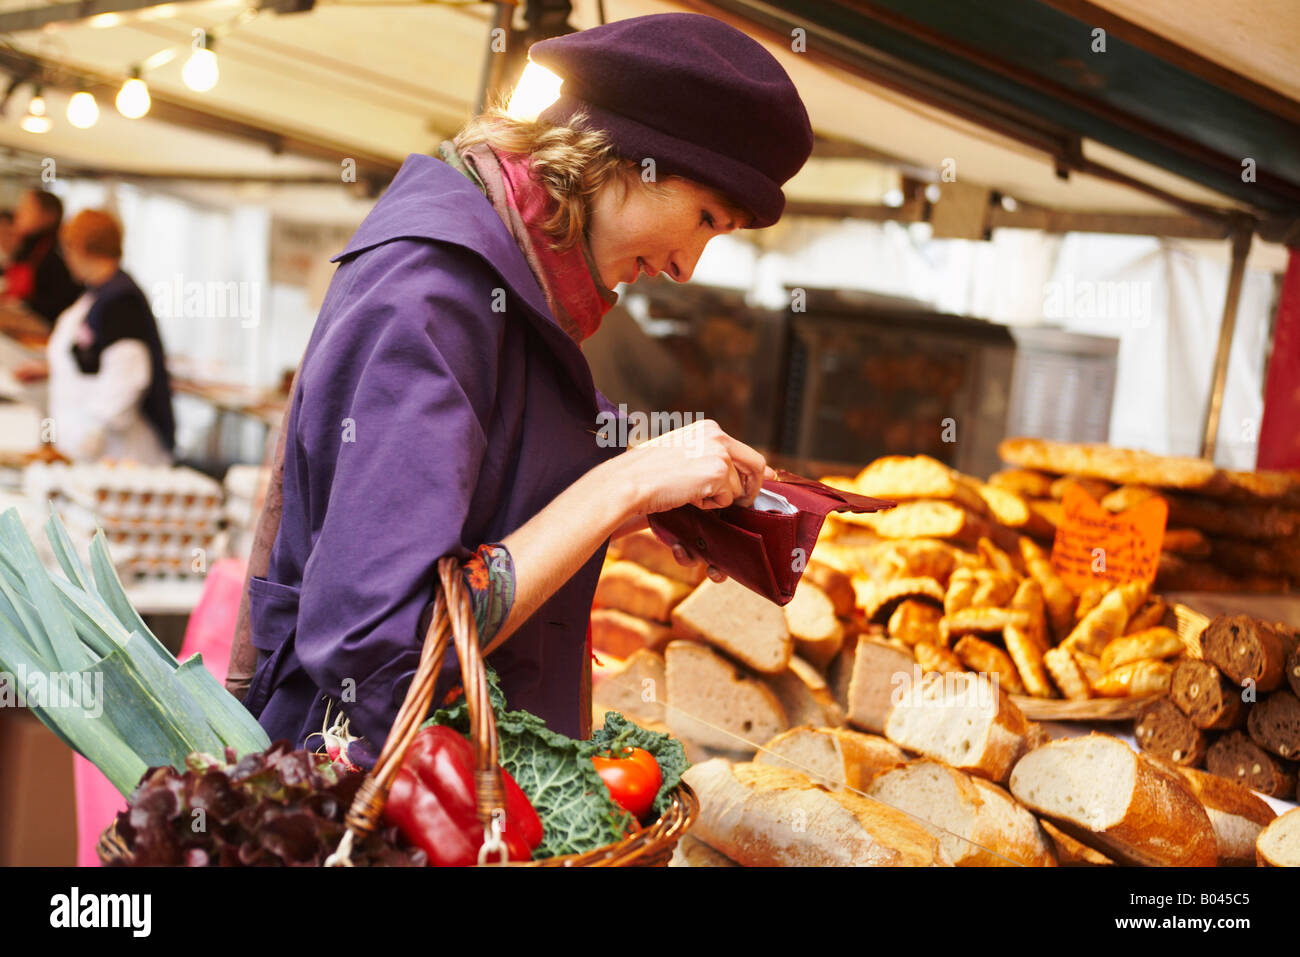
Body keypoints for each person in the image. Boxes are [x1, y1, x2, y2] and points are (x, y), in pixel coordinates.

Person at [232, 13, 814, 765]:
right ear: (624, 159)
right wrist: (624, 486)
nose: (687, 267)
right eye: (705, 218)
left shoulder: (506, 290)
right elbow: (380, 646)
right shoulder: (431, 299)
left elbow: (514, 465)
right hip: (365, 798)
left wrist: (656, 486)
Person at [15, 210, 175, 463]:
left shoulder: (121, 301)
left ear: (80, 247)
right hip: (91, 448)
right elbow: (92, 360)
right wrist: (51, 369)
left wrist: (88, 440)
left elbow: (128, 379)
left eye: (67, 248)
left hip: (115, 454)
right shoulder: (100, 294)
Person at [4, 189, 82, 326]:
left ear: (48, 216)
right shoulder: (24, 247)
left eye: (27, 209)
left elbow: (59, 304)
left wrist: (22, 305)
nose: (19, 213)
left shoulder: (58, 253)